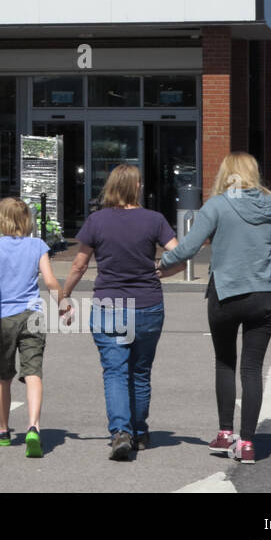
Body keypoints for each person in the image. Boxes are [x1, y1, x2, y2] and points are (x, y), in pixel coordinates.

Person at [159, 152, 271, 465]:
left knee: (225, 362)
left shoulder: (216, 206)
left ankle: (226, 433)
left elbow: (189, 247)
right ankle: (248, 442)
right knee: (252, 369)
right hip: (264, 297)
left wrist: (162, 265)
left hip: (226, 295)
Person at [62, 164, 179, 461]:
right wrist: (162, 271)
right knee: (140, 371)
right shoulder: (154, 219)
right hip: (148, 303)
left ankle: (121, 432)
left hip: (110, 304)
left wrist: (64, 294)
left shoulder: (97, 221)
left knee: (115, 371)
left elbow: (79, 264)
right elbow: (179, 253)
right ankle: (139, 431)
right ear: (135, 187)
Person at [0, 197, 64, 457]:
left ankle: (3, 429)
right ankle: (33, 427)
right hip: (33, 315)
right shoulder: (38, 245)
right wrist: (64, 304)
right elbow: (50, 280)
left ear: (0, 221)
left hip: (4, 317)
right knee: (33, 372)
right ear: (27, 221)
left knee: (3, 375)